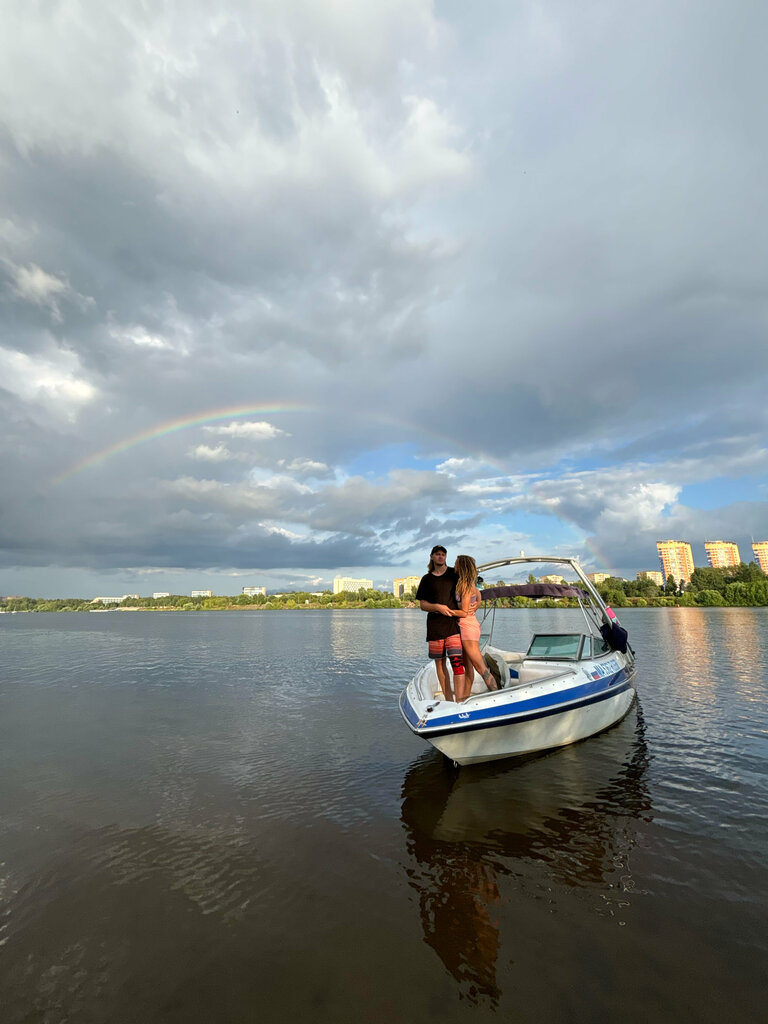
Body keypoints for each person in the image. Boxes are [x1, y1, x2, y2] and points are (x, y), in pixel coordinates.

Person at [415, 545, 466, 702]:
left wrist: (474, 602)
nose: (440, 557)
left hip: (453, 625)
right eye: (437, 554)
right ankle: (449, 701)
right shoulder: (426, 579)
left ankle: (460, 701)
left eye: (443, 554)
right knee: (440, 664)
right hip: (435, 628)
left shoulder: (454, 574)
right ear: (431, 556)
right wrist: (437, 607)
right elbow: (423, 605)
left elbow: (468, 586)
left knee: (457, 663)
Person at [454, 554, 498, 693]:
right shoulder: (470, 584)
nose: (454, 565)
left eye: (456, 563)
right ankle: (465, 698)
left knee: (481, 668)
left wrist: (444, 609)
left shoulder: (466, 585)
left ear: (462, 566)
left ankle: (497, 693)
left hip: (467, 627)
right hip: (469, 625)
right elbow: (478, 598)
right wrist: (477, 603)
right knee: (468, 668)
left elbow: (464, 611)